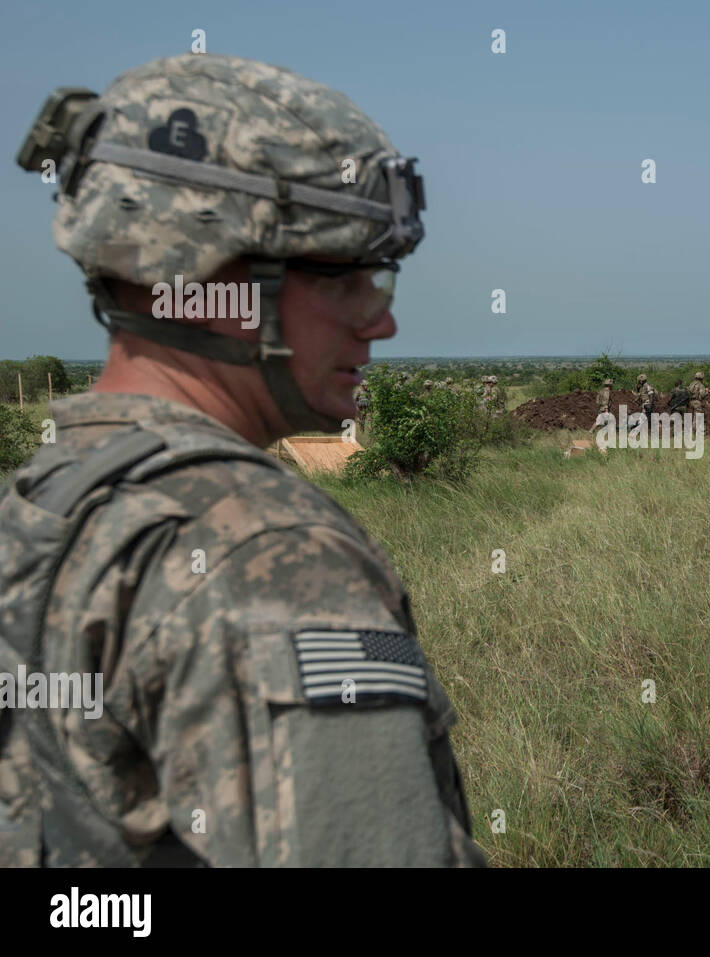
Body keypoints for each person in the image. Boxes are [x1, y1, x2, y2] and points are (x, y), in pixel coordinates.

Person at [1, 54, 484, 867]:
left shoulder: (43, 496)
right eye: (350, 277)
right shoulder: (271, 556)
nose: (381, 322)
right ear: (215, 279)